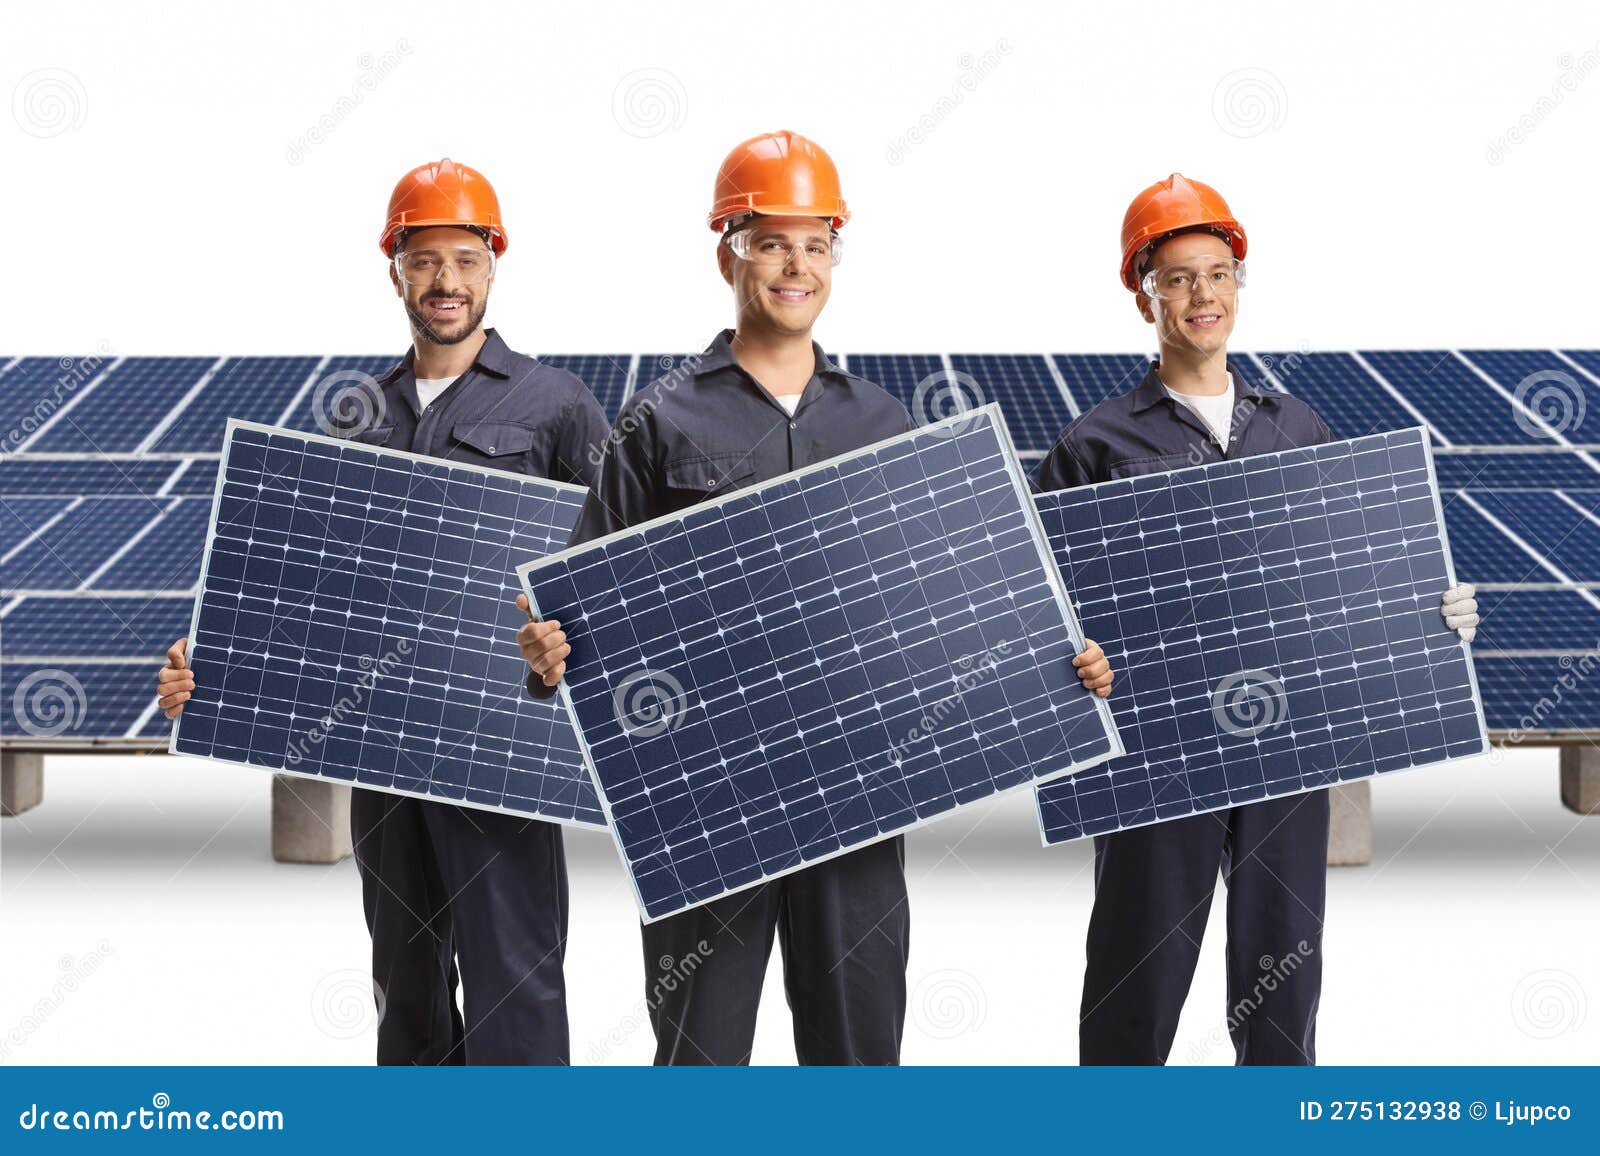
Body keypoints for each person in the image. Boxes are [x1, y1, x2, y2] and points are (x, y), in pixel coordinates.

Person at [517, 130, 1114, 1065]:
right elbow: (582, 604)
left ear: (835, 256)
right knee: (699, 1062)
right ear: (729, 253)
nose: (796, 265)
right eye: (771, 241)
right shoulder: (656, 419)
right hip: (705, 800)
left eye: (815, 243)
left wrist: (1051, 658)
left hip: (861, 793)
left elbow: (947, 602)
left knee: (858, 1060)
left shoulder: (883, 420)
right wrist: (548, 656)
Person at [156, 158, 610, 1065]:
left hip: (497, 750)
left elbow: (608, 574)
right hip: (383, 747)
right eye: (425, 261)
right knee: (402, 983)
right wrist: (214, 667)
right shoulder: (357, 415)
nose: (446, 282)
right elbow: (310, 592)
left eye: (465, 261)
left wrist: (567, 661)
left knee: (514, 979)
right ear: (395, 269)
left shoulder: (557, 404)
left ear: (494, 267)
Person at [1035, 172, 1480, 1065]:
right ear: (1143, 296)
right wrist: (1072, 655)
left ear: (1238, 286)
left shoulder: (1298, 429)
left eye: (1219, 273)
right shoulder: (1096, 443)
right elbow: (1039, 602)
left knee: (1284, 977)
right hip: (1158, 746)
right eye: (1178, 277)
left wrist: (1433, 614)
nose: (1203, 294)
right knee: (1138, 972)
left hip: (1285, 738)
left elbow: (1346, 581)